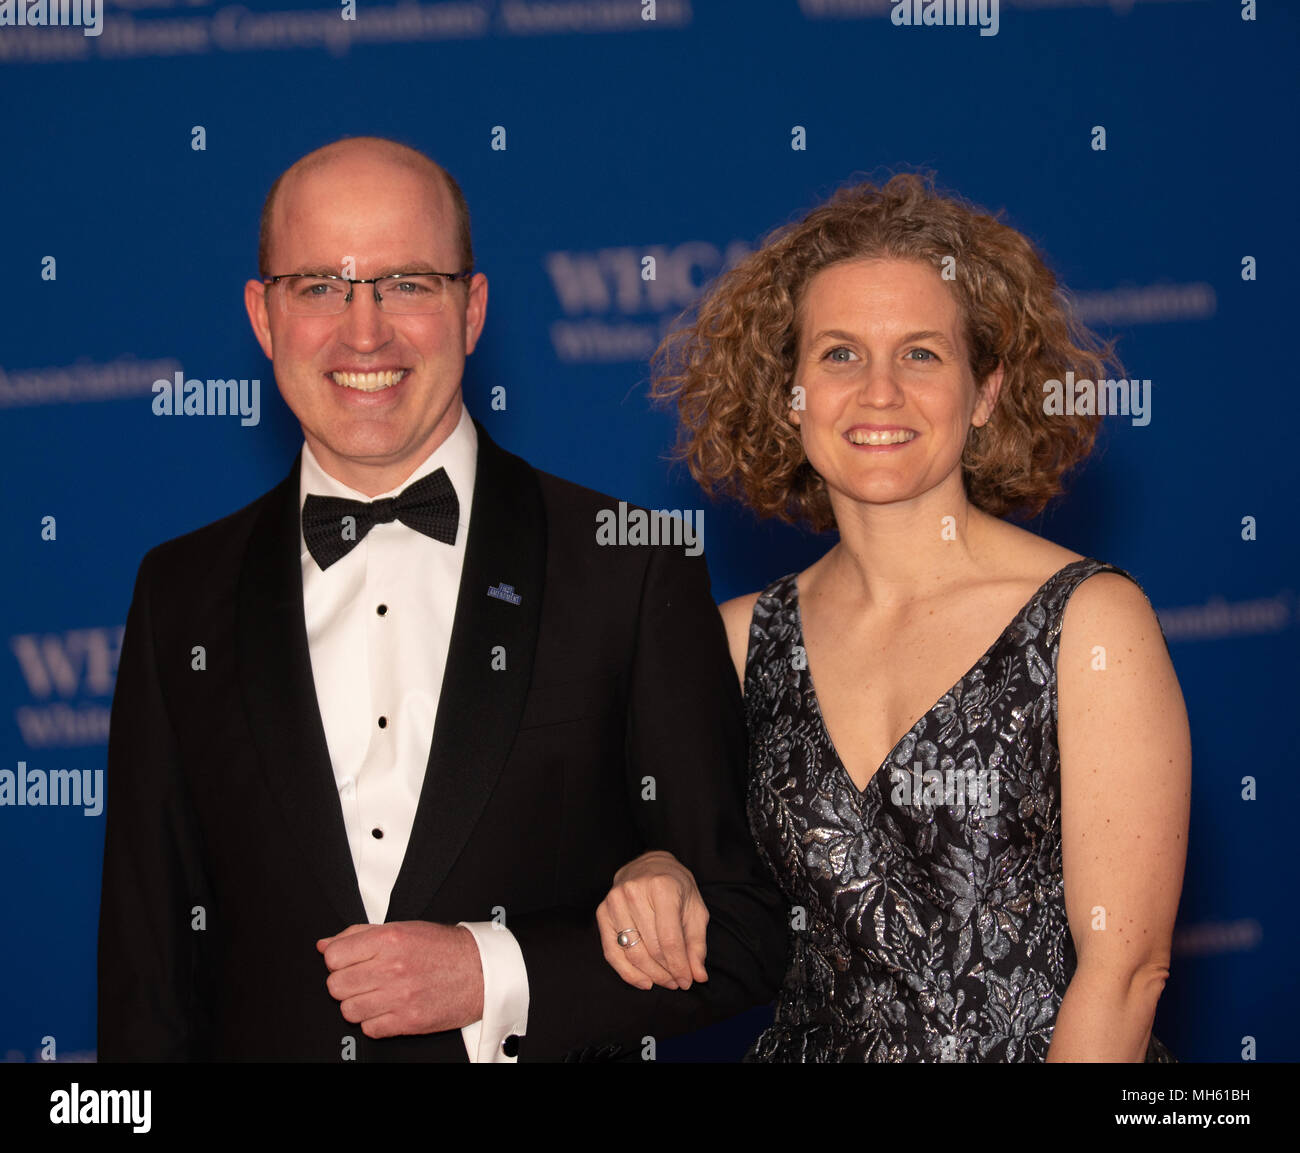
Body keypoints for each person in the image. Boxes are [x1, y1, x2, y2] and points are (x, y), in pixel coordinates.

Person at [97, 136, 786, 1062]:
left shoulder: (630, 563)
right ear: (264, 318)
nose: (365, 332)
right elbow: (146, 981)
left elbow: (742, 931)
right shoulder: (179, 592)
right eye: (320, 288)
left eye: (408, 283)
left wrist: (491, 971)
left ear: (473, 309)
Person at [597, 173, 1191, 1062]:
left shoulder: (1089, 625)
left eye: (921, 353)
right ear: (789, 393)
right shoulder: (734, 644)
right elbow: (663, 856)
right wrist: (650, 868)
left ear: (986, 391)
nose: (879, 392)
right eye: (839, 354)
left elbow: (1127, 969)